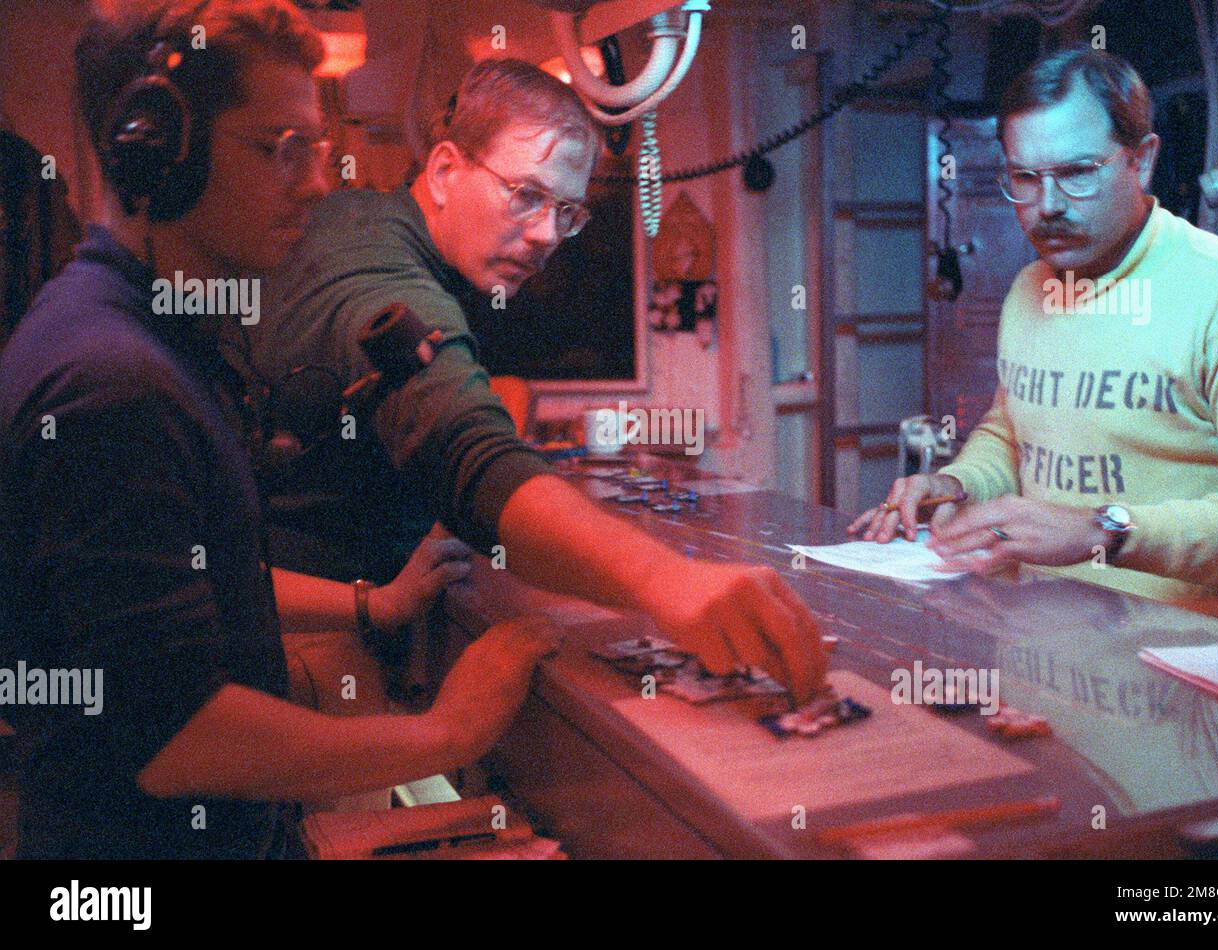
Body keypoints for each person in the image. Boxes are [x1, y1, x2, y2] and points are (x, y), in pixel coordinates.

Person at [0, 0, 555, 859]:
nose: (317, 181)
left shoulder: (149, 336)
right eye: (277, 149)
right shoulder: (109, 380)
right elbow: (179, 739)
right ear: (159, 152)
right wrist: (448, 734)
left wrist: (374, 604)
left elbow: (196, 580)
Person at [246, 57, 826, 700]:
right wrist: (672, 582)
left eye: (569, 213)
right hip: (287, 652)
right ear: (443, 171)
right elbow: (474, 457)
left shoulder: (366, 221)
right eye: (526, 195)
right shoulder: (389, 283)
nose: (547, 234)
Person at [851, 46, 1218, 627]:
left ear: (1142, 161)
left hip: (1184, 659)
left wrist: (1104, 531)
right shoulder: (1029, 288)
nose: (1049, 206)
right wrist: (958, 484)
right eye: (1025, 178)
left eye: (1078, 173)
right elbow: (1013, 434)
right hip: (1041, 637)